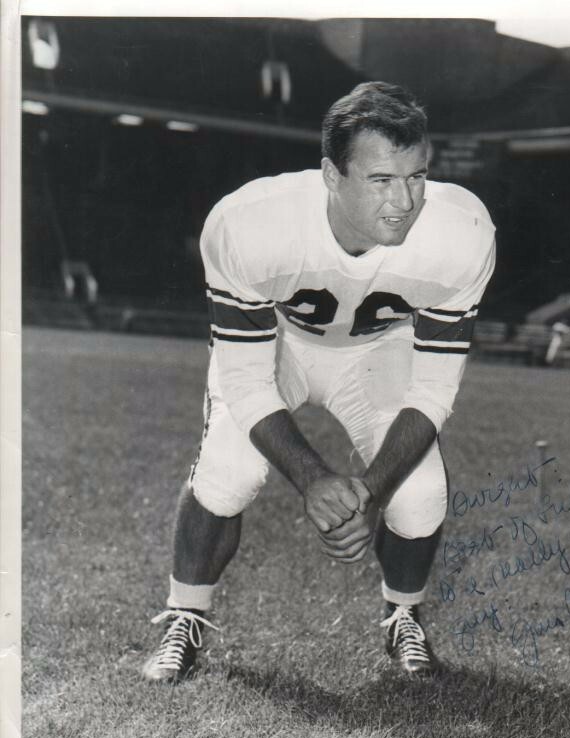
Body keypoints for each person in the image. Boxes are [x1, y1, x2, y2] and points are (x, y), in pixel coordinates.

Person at [142, 81, 496, 683]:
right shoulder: (250, 224)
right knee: (228, 473)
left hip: (379, 352)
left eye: (417, 176)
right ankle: (185, 612)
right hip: (280, 345)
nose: (406, 201)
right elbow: (250, 383)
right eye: (381, 180)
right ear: (331, 174)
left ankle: (403, 614)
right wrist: (312, 479)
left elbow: (433, 393)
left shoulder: (461, 233)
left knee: (421, 495)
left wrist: (373, 492)